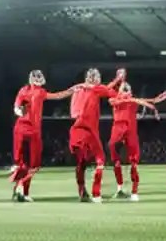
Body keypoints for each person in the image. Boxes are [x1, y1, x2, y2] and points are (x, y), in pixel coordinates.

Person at [10, 70, 74, 202]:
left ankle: (20, 189)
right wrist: (71, 90)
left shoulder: (34, 91)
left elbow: (16, 106)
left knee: (26, 165)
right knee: (32, 165)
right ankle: (21, 186)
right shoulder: (35, 91)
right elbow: (56, 96)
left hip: (24, 129)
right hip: (28, 130)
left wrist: (71, 90)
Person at [69, 68, 126, 203]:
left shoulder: (79, 89)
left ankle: (82, 192)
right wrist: (120, 80)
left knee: (81, 164)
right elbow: (111, 93)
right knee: (100, 160)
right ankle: (96, 193)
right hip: (89, 131)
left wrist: (116, 81)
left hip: (76, 130)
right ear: (93, 78)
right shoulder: (96, 89)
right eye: (98, 76)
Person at [109, 81, 166, 201]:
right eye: (123, 87)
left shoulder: (134, 100)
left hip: (131, 131)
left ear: (130, 91)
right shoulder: (114, 100)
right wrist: (139, 101)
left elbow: (147, 102)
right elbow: (118, 101)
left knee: (134, 163)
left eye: (127, 87)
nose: (125, 87)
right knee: (115, 159)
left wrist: (154, 101)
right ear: (119, 91)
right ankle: (120, 188)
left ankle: (134, 192)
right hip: (118, 130)